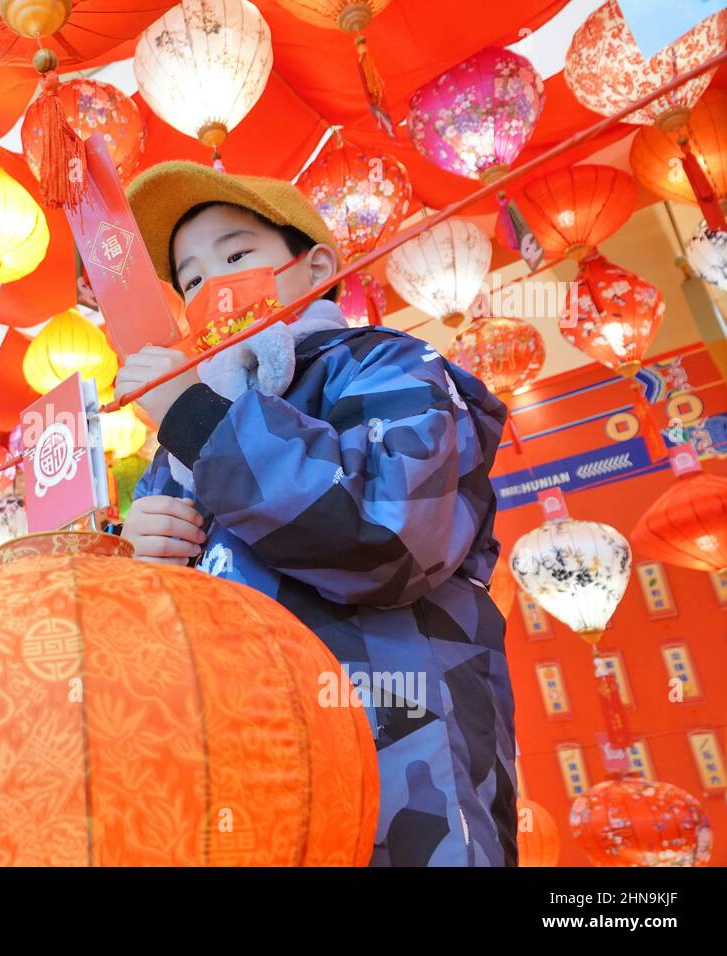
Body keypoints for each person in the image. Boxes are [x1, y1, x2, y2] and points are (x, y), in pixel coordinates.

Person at [114, 161, 516, 867]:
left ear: (317, 266)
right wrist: (137, 549)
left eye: (237, 255)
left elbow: (391, 533)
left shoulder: (386, 365)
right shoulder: (182, 435)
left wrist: (200, 423)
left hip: (400, 740)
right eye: (192, 280)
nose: (214, 289)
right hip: (246, 757)